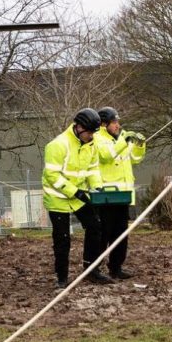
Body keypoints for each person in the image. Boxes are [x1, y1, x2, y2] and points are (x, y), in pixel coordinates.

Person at [42, 108, 113, 288]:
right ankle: (62, 278)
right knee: (62, 238)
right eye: (89, 132)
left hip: (78, 197)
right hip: (58, 197)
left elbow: (92, 169)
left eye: (93, 133)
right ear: (79, 127)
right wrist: (75, 191)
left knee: (95, 227)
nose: (91, 136)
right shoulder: (57, 145)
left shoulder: (91, 143)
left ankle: (91, 270)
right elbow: (52, 176)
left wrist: (96, 188)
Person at [93, 106, 146, 280]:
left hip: (123, 195)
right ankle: (95, 268)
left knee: (121, 234)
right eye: (114, 122)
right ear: (104, 124)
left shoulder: (122, 138)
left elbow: (136, 158)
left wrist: (139, 144)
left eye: (118, 122)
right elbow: (106, 156)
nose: (118, 125)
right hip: (106, 196)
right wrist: (124, 141)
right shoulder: (98, 138)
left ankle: (116, 267)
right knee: (104, 234)